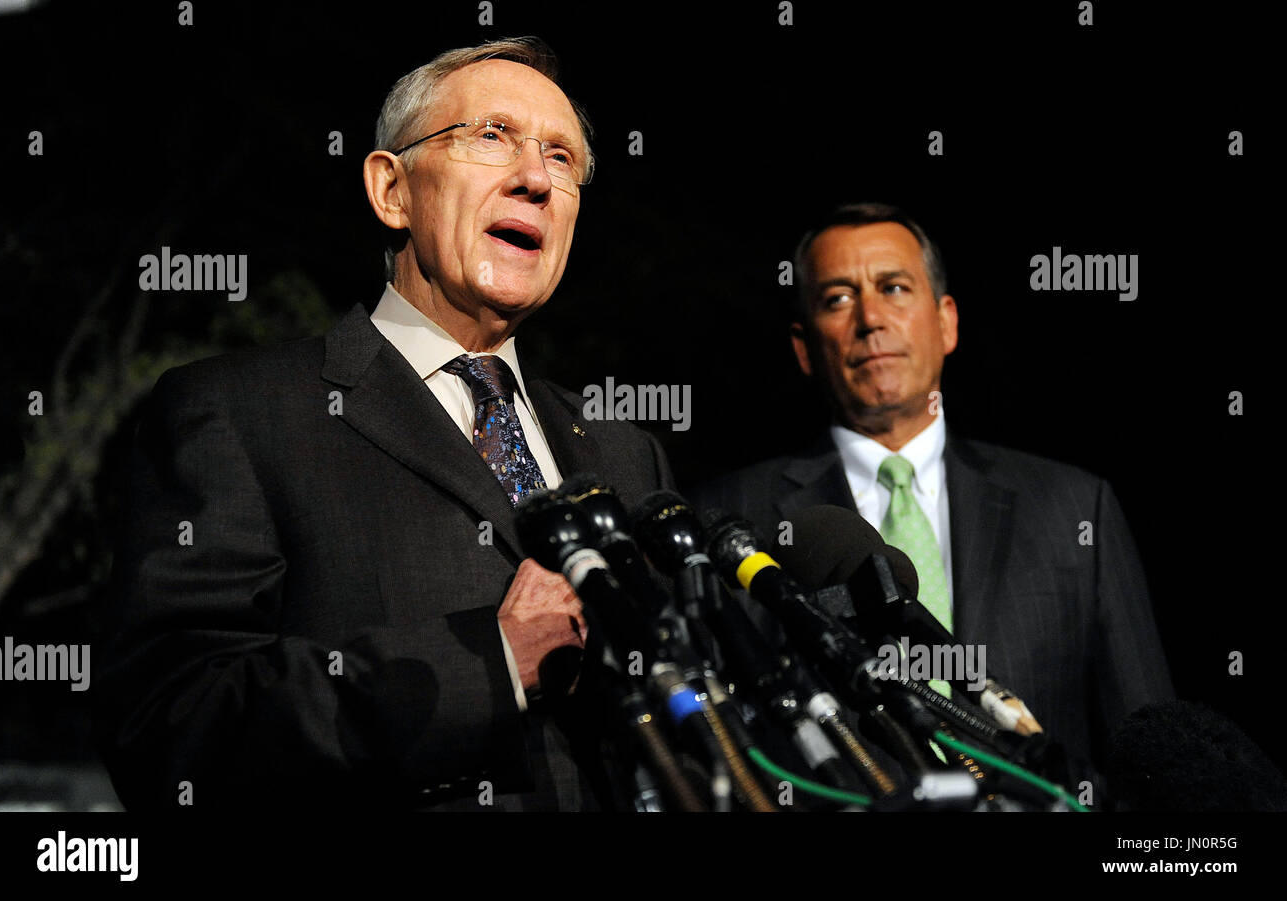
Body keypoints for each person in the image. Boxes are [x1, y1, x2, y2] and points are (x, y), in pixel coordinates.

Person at [95, 37, 673, 811]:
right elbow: (171, 729)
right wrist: (490, 661)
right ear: (391, 188)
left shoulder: (627, 454)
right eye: (492, 136)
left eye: (563, 158)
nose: (535, 178)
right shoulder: (238, 413)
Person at [694, 202, 1173, 782]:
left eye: (894, 287)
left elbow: (1153, 747)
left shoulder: (1075, 506)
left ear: (946, 321)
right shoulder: (732, 515)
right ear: (803, 346)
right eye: (838, 298)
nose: (870, 317)